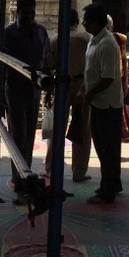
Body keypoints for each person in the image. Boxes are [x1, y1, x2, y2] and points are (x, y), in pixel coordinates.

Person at [3, 0, 50, 195]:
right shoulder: (9, 33)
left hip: (34, 89)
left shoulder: (41, 31)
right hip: (14, 88)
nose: (29, 15)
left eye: (32, 12)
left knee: (30, 131)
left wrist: (48, 85)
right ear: (18, 12)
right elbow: (3, 63)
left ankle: (27, 171)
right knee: (17, 133)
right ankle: (18, 175)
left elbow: (46, 59)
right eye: (25, 12)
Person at [78, 3, 123, 204]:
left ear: (97, 22)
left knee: (107, 148)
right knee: (104, 146)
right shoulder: (94, 40)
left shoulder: (106, 44)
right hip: (99, 101)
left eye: (87, 20)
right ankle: (113, 183)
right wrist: (84, 88)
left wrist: (89, 93)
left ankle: (108, 190)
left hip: (108, 104)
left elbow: (107, 77)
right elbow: (92, 70)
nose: (83, 23)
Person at [44, 9, 91, 182]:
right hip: (82, 85)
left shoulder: (55, 39)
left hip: (61, 85)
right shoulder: (85, 39)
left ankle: (51, 169)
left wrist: (48, 92)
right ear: (77, 22)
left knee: (57, 129)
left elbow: (49, 65)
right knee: (82, 129)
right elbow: (91, 66)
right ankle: (79, 172)